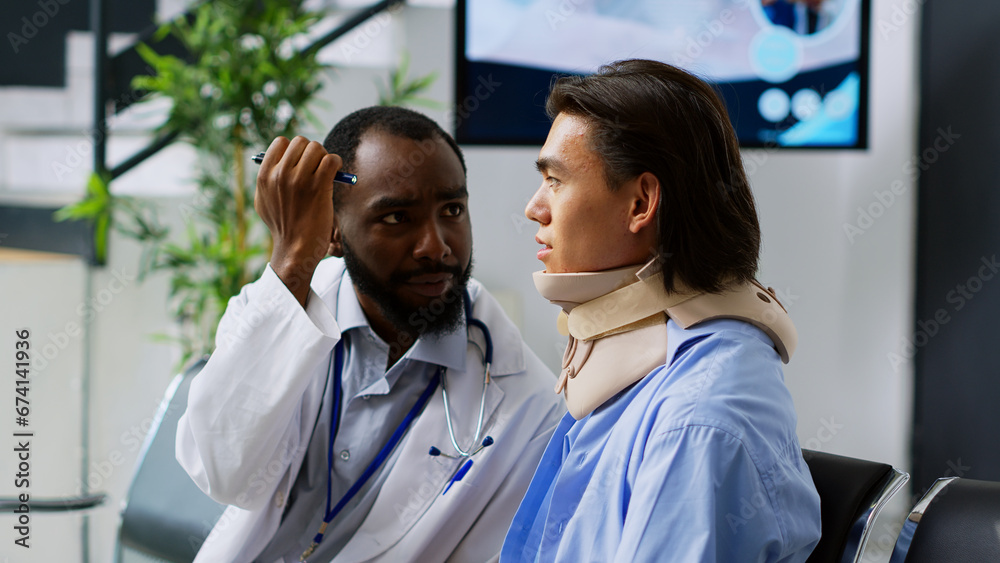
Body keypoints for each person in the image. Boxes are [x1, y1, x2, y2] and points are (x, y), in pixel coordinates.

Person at [176, 106, 565, 562]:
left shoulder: (531, 408)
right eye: (397, 218)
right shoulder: (277, 308)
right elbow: (220, 471)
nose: (436, 246)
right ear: (334, 233)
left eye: (452, 209)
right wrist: (292, 258)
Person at [500, 59, 822, 562]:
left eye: (555, 180)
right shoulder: (651, 375)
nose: (534, 207)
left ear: (641, 203)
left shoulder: (697, 419)